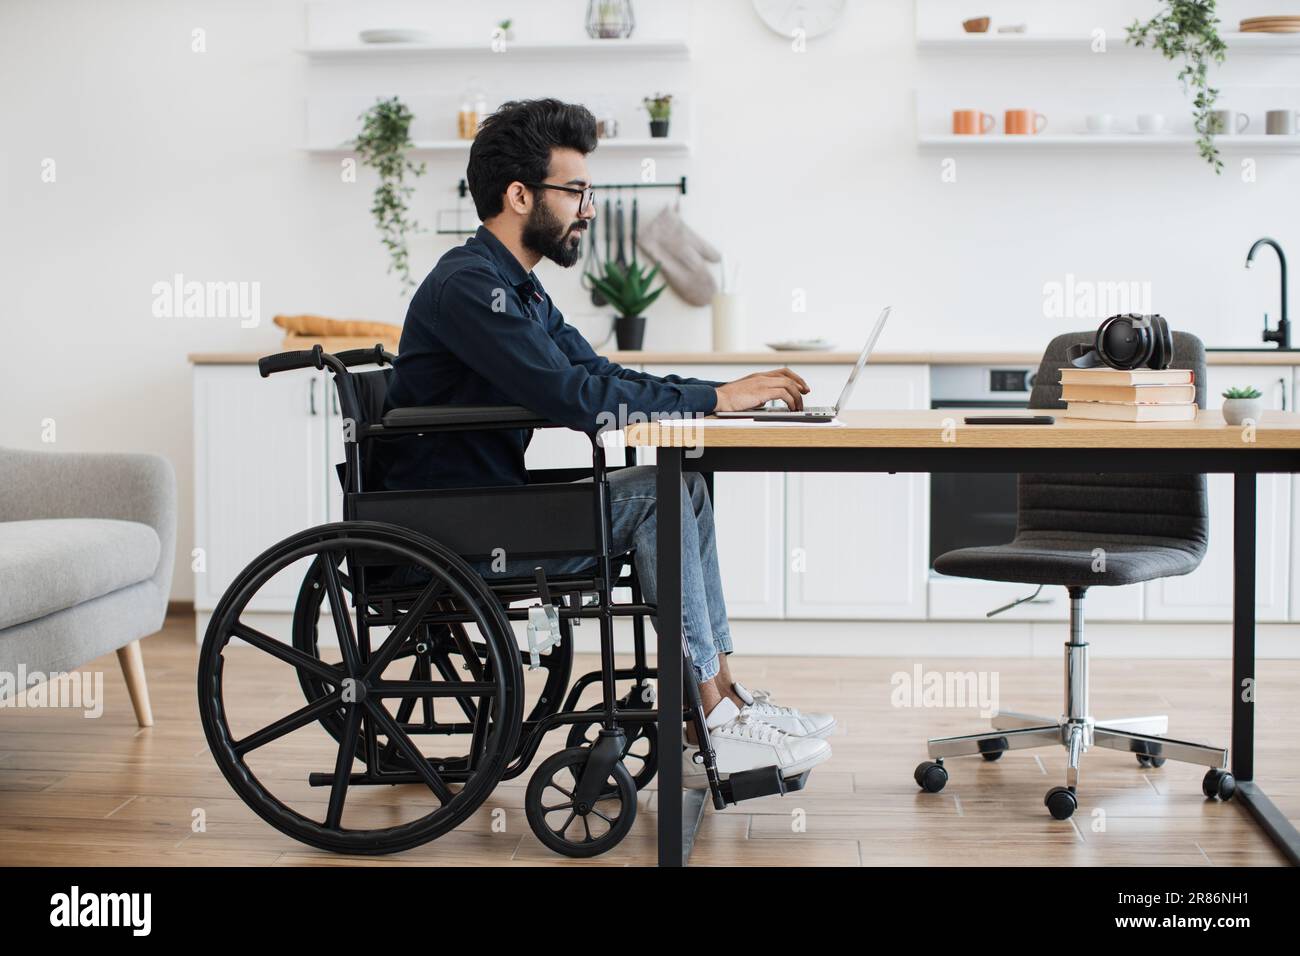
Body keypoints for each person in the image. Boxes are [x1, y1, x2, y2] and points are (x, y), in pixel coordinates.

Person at [375, 98, 833, 783]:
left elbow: (597, 375)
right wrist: (718, 398)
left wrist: (719, 390)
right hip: (452, 524)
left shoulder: (515, 287)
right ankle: (712, 711)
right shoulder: (473, 288)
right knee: (660, 493)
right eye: (577, 191)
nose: (587, 208)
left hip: (485, 505)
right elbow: (578, 402)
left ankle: (724, 696)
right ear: (520, 194)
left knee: (684, 484)